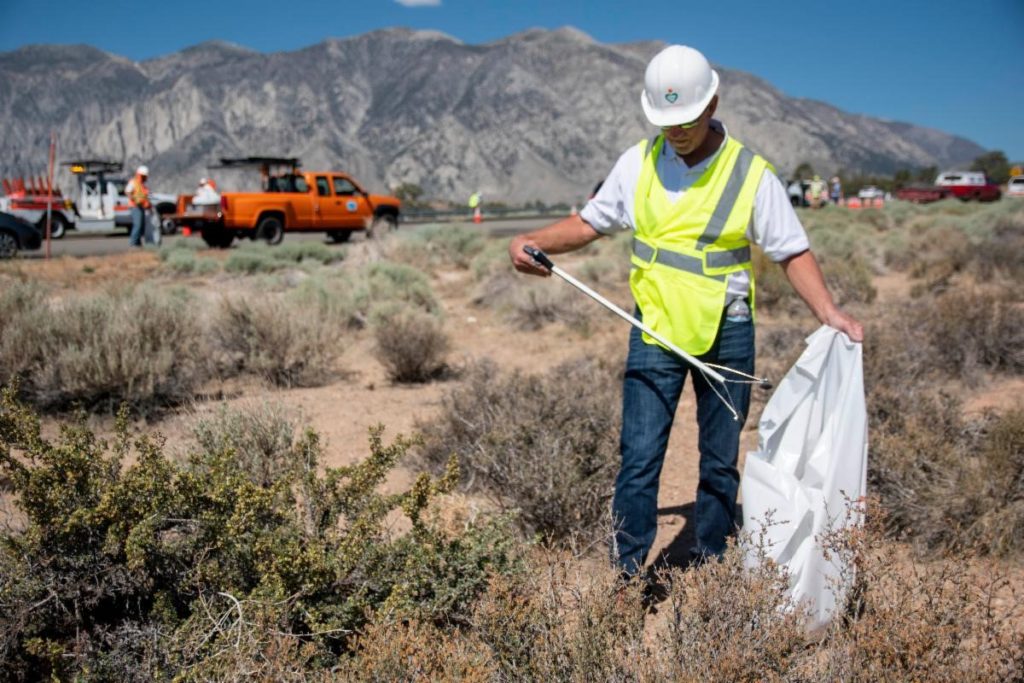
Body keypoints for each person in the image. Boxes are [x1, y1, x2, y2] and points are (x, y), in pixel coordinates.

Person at [508, 44, 863, 577]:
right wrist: (533, 241)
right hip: (653, 328)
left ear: (713, 103)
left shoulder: (751, 173)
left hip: (728, 330)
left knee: (720, 458)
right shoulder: (637, 162)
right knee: (640, 459)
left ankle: (710, 558)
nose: (675, 130)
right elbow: (588, 223)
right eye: (665, 119)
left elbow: (791, 250)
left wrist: (829, 312)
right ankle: (626, 575)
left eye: (687, 119)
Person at [125, 165, 151, 247]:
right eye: (145, 176)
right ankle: (133, 243)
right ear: (141, 175)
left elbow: (143, 195)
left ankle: (138, 243)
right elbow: (128, 192)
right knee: (138, 225)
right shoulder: (133, 182)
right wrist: (134, 200)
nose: (146, 178)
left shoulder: (141, 185)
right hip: (135, 207)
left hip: (141, 206)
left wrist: (147, 203)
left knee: (141, 226)